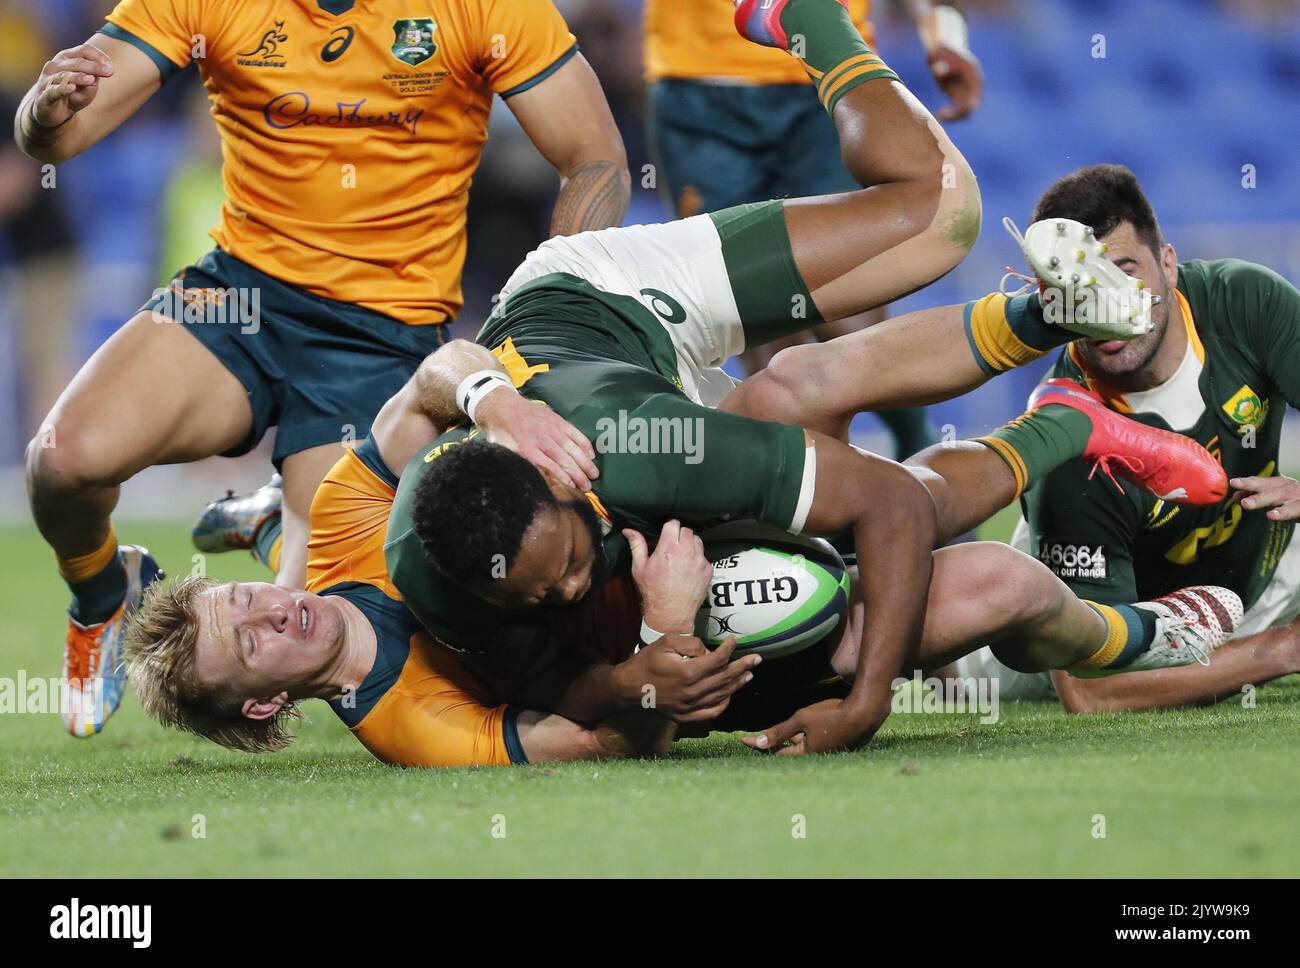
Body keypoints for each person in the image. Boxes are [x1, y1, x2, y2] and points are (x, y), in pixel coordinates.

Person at [123, 334, 1239, 767]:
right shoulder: (416, 727)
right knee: (995, 582)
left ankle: (1057, 420)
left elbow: (425, 389)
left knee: (812, 422)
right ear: (267, 706)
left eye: (246, 605)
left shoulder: (341, 557)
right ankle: (1154, 627)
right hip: (693, 626)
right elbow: (603, 738)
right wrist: (665, 628)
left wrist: (492, 405)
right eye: (254, 643)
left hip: (610, 507)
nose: (279, 616)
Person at [14, 0, 630, 737]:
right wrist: (46, 109)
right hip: (241, 295)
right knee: (60, 462)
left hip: (384, 332)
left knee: (305, 628)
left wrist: (544, 307)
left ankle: (281, 522)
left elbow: (596, 158)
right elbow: (56, 137)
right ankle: (101, 596)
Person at [645, 0, 983, 459]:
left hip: (824, 69)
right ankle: (815, 494)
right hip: (698, 83)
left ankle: (915, 443)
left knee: (845, 297)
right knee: (746, 302)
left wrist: (944, 33)